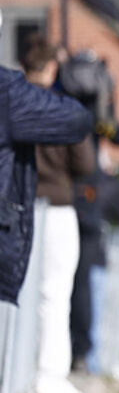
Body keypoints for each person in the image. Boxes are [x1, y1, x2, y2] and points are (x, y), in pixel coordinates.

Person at [19, 38, 96, 393]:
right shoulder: (62, 108)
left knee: (15, 291)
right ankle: (49, 375)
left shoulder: (11, 101)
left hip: (17, 205)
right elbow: (85, 166)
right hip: (57, 209)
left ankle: (14, 372)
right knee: (55, 292)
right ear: (52, 68)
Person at [0, 43, 94, 310]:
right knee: (53, 300)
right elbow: (85, 160)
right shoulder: (16, 97)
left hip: (27, 212)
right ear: (52, 67)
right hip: (52, 210)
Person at [70, 148, 119, 373]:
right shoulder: (106, 183)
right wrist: (113, 179)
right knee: (92, 312)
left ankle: (84, 360)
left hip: (84, 254)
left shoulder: (77, 179)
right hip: (94, 256)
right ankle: (89, 363)